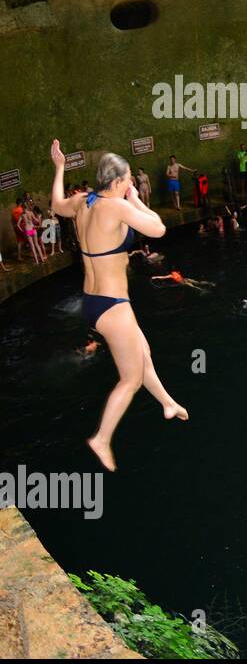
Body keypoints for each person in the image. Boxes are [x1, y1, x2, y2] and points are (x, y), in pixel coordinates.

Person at [49, 140, 187, 471]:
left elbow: (56, 204)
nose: (129, 185)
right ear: (117, 182)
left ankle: (168, 404)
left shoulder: (83, 202)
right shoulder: (117, 206)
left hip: (92, 301)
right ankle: (102, 438)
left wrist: (59, 167)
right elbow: (159, 227)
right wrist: (137, 200)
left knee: (142, 353)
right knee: (131, 379)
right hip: (114, 306)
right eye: (127, 181)